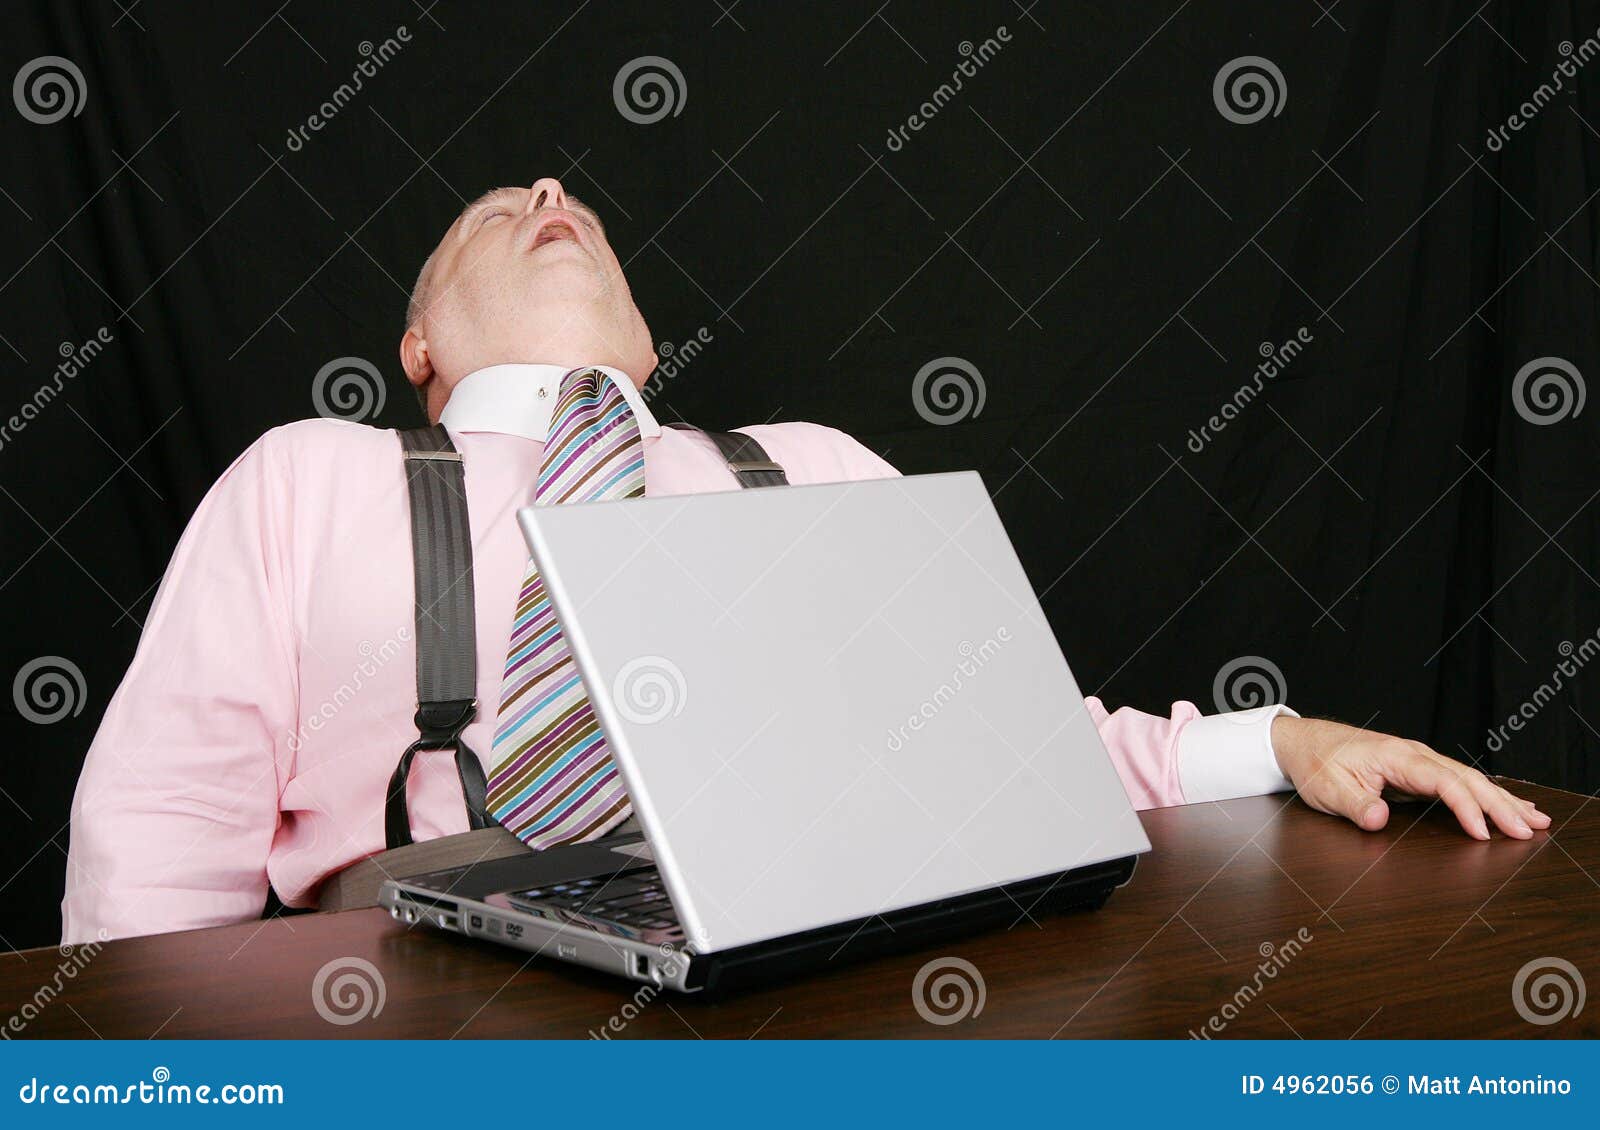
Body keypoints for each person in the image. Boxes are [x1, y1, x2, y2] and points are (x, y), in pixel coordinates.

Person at [60, 178, 1549, 943]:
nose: (550, 195)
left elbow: (1025, 751)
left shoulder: (816, 465)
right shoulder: (308, 477)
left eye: (579, 214)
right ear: (420, 351)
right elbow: (147, 867)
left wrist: (1285, 739)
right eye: (492, 217)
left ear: (650, 347)